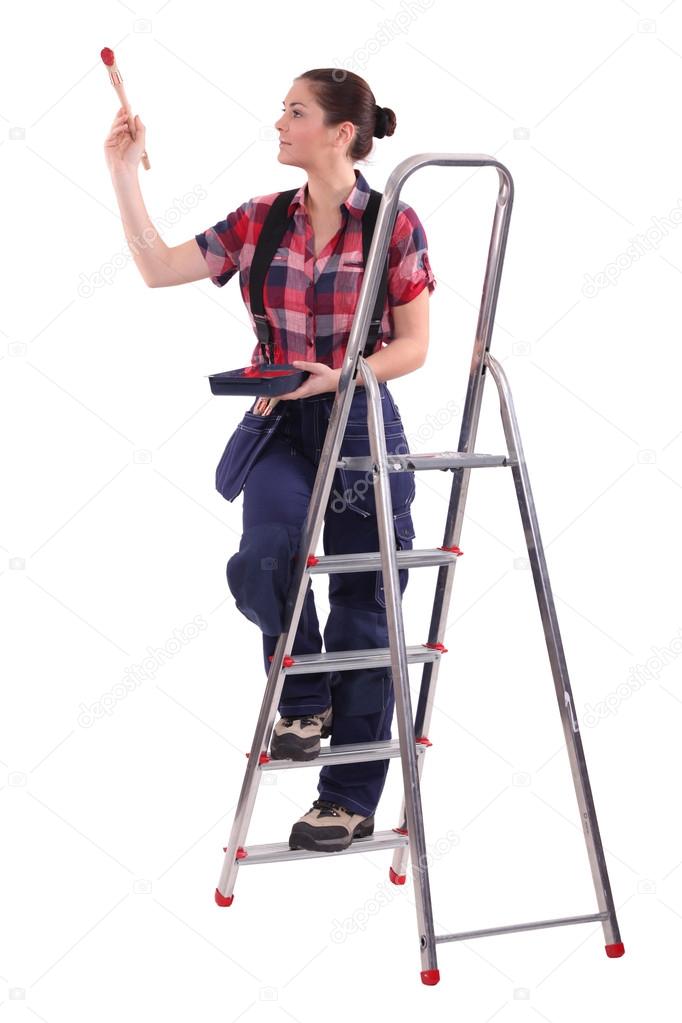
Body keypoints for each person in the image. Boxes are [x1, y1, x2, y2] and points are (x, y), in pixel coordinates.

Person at [104, 67, 436, 855]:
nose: (280, 122)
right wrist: (123, 173)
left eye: (296, 111)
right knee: (263, 557)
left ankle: (347, 799)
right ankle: (307, 695)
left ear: (342, 133)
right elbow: (158, 267)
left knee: (364, 605)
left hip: (358, 421)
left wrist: (343, 374)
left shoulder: (393, 223)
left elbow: (416, 346)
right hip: (280, 422)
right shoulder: (261, 219)